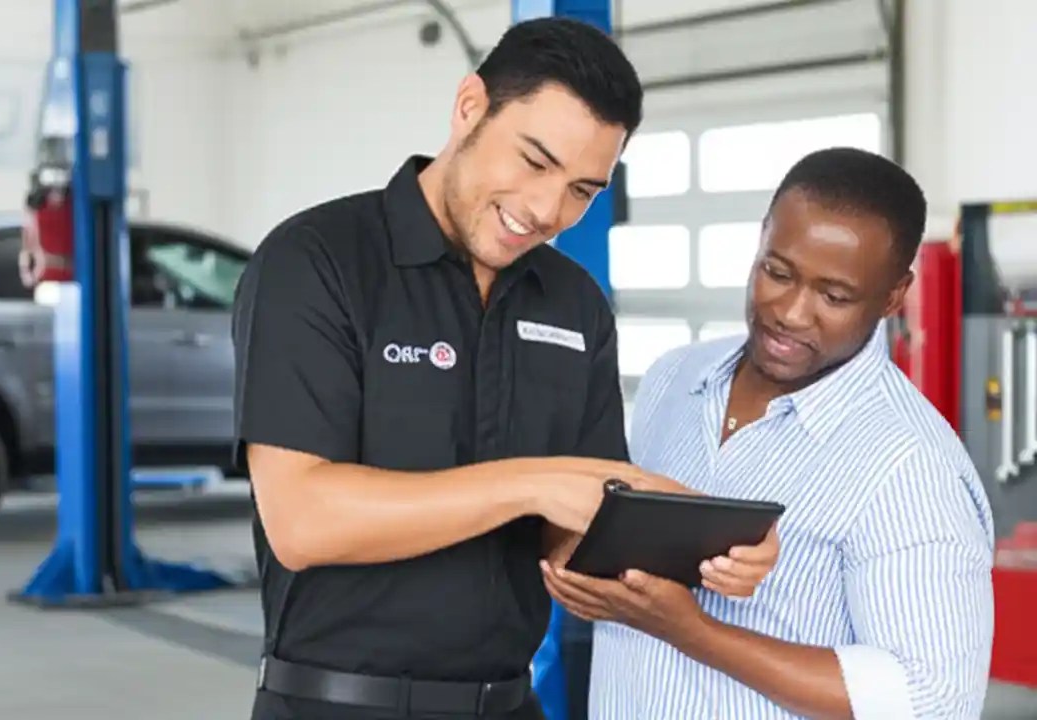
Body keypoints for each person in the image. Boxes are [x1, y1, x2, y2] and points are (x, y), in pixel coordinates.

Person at [230, 17, 780, 720]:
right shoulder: (317, 262)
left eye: (583, 190)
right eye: (534, 161)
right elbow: (303, 522)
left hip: (510, 703)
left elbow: (575, 536)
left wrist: (705, 546)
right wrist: (534, 484)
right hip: (336, 705)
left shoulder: (574, 304)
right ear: (469, 108)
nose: (548, 210)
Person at [542, 147, 996, 719]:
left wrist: (692, 630)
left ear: (892, 297)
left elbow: (931, 699)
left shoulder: (910, 464)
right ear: (761, 240)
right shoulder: (674, 380)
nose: (791, 312)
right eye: (778, 272)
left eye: (834, 296)